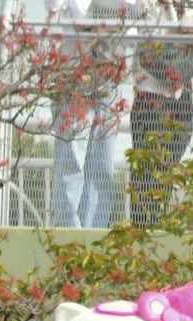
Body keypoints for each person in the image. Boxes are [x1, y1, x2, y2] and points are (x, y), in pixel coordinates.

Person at [51, 0, 127, 230]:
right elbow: (54, 7)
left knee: (102, 166)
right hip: (73, 73)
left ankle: (95, 237)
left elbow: (132, 15)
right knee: (70, 163)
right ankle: (68, 238)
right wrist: (94, 24)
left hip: (110, 76)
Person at [128, 0, 193, 226]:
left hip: (184, 99)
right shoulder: (146, 4)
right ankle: (143, 230)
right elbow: (150, 54)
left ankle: (161, 226)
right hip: (151, 96)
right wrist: (182, 49)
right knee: (148, 171)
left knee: (169, 168)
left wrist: (188, 43)